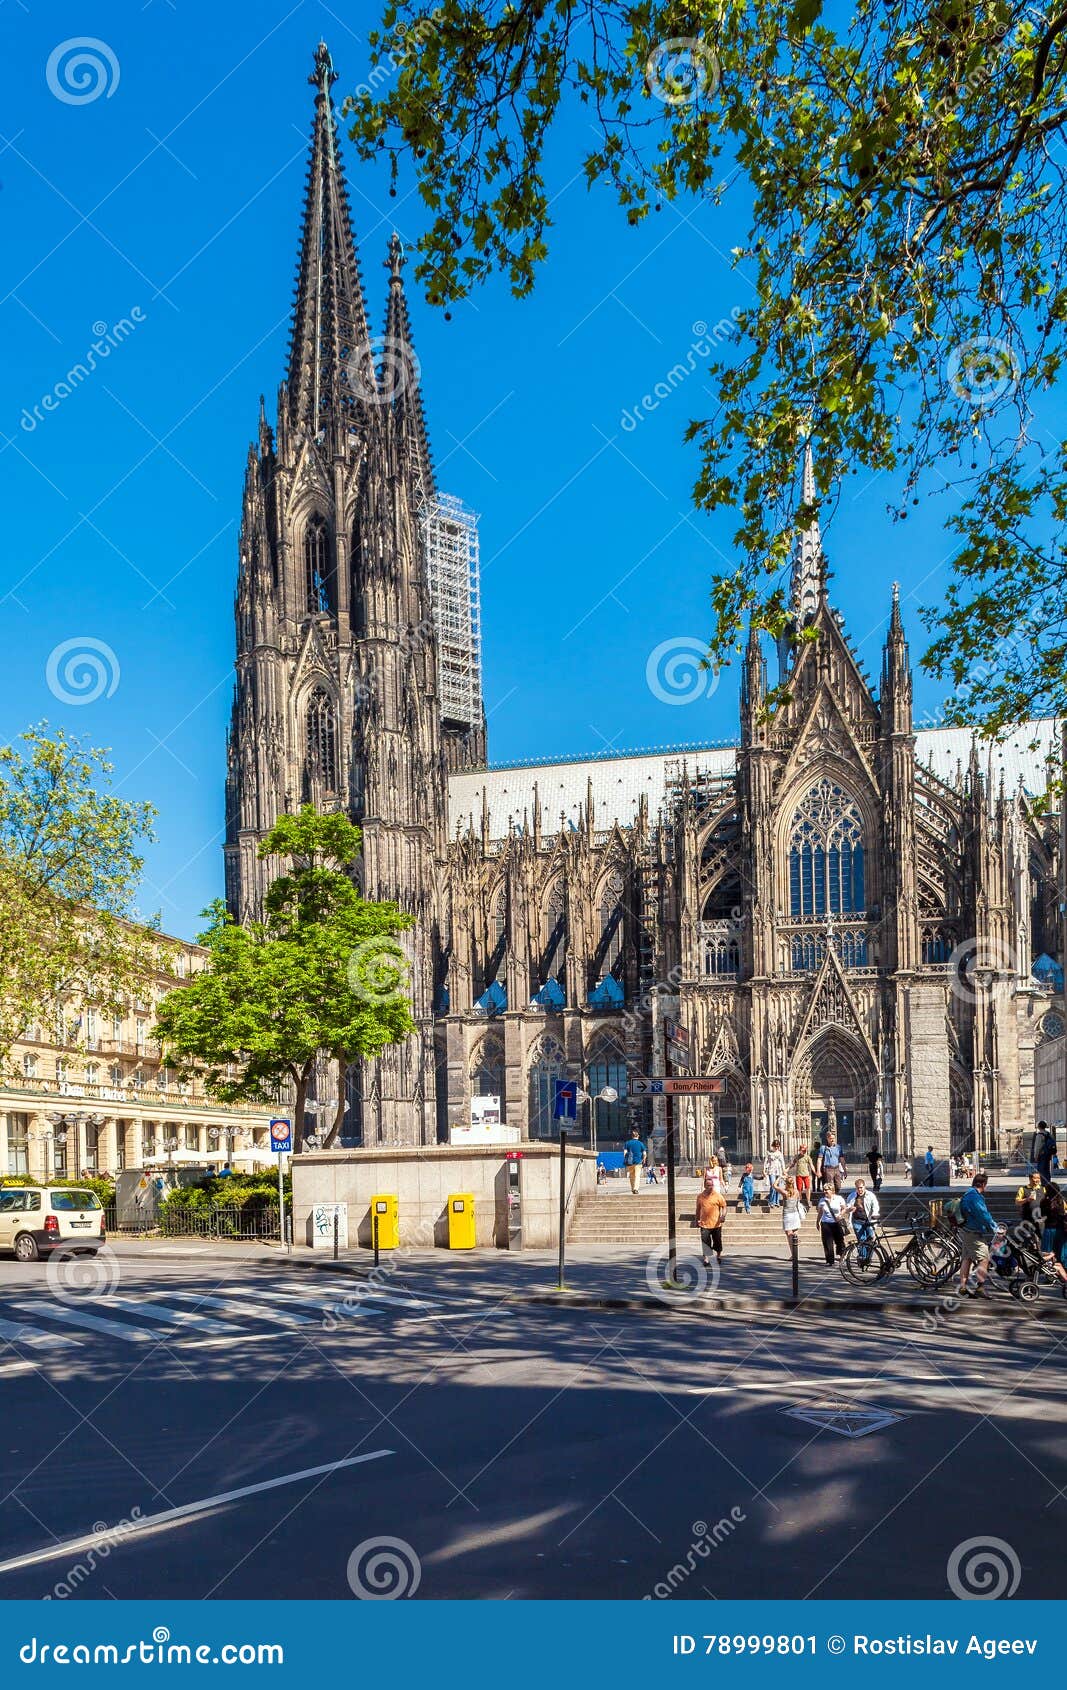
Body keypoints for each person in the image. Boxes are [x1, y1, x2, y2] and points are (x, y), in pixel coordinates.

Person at [958, 1172, 998, 1297]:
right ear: (983, 1184)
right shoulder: (974, 1197)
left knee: (967, 1258)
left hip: (966, 1230)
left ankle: (963, 1288)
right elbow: (983, 1214)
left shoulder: (968, 1193)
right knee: (984, 1258)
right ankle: (980, 1287)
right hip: (973, 1232)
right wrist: (995, 1227)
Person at [695, 1172, 727, 1266]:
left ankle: (718, 1256)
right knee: (705, 1242)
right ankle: (706, 1259)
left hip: (716, 1223)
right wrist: (696, 1220)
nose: (710, 1187)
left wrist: (723, 1216)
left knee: (717, 1241)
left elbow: (724, 1206)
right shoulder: (700, 1197)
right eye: (708, 1185)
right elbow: (698, 1209)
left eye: (712, 1185)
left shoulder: (718, 1195)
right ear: (705, 1186)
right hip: (704, 1224)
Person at [848, 1177, 880, 1265]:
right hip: (857, 1221)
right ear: (855, 1188)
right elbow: (847, 1207)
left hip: (868, 1221)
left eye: (861, 1187)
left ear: (864, 1187)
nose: (860, 1190)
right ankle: (863, 1258)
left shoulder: (870, 1195)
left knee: (870, 1239)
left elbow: (875, 1206)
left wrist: (875, 1213)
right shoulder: (852, 1196)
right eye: (858, 1188)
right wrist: (850, 1209)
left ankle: (868, 1256)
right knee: (861, 1240)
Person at [816, 1180, 847, 1265]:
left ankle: (841, 1256)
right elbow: (820, 1212)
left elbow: (844, 1208)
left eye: (827, 1190)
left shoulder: (839, 1198)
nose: (825, 1191)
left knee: (840, 1241)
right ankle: (830, 1260)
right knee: (827, 1242)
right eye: (824, 1190)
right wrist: (817, 1222)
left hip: (837, 1222)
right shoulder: (822, 1200)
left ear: (832, 1190)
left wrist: (840, 1215)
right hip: (826, 1222)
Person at [773, 1174, 805, 1248]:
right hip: (795, 1214)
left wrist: (780, 1177)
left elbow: (774, 1185)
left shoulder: (785, 1192)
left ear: (786, 1184)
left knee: (789, 1234)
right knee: (795, 1233)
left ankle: (793, 1254)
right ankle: (795, 1252)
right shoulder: (796, 1192)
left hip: (787, 1215)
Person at [623, 1128, 646, 1195]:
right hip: (638, 1163)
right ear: (638, 1136)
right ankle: (636, 1189)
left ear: (632, 1136)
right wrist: (644, 1160)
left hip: (630, 1163)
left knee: (631, 1176)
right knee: (637, 1176)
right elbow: (644, 1154)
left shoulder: (627, 1143)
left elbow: (624, 1153)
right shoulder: (641, 1144)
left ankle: (633, 1188)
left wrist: (626, 1160)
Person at [764, 1140, 785, 1207]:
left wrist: (784, 1171)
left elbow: (782, 1162)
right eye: (775, 1146)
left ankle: (776, 1201)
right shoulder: (769, 1153)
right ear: (773, 1146)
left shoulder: (779, 1153)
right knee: (773, 1186)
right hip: (771, 1170)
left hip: (778, 1171)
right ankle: (771, 1201)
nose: (776, 1147)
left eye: (778, 1146)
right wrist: (764, 1169)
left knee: (777, 1187)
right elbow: (766, 1162)